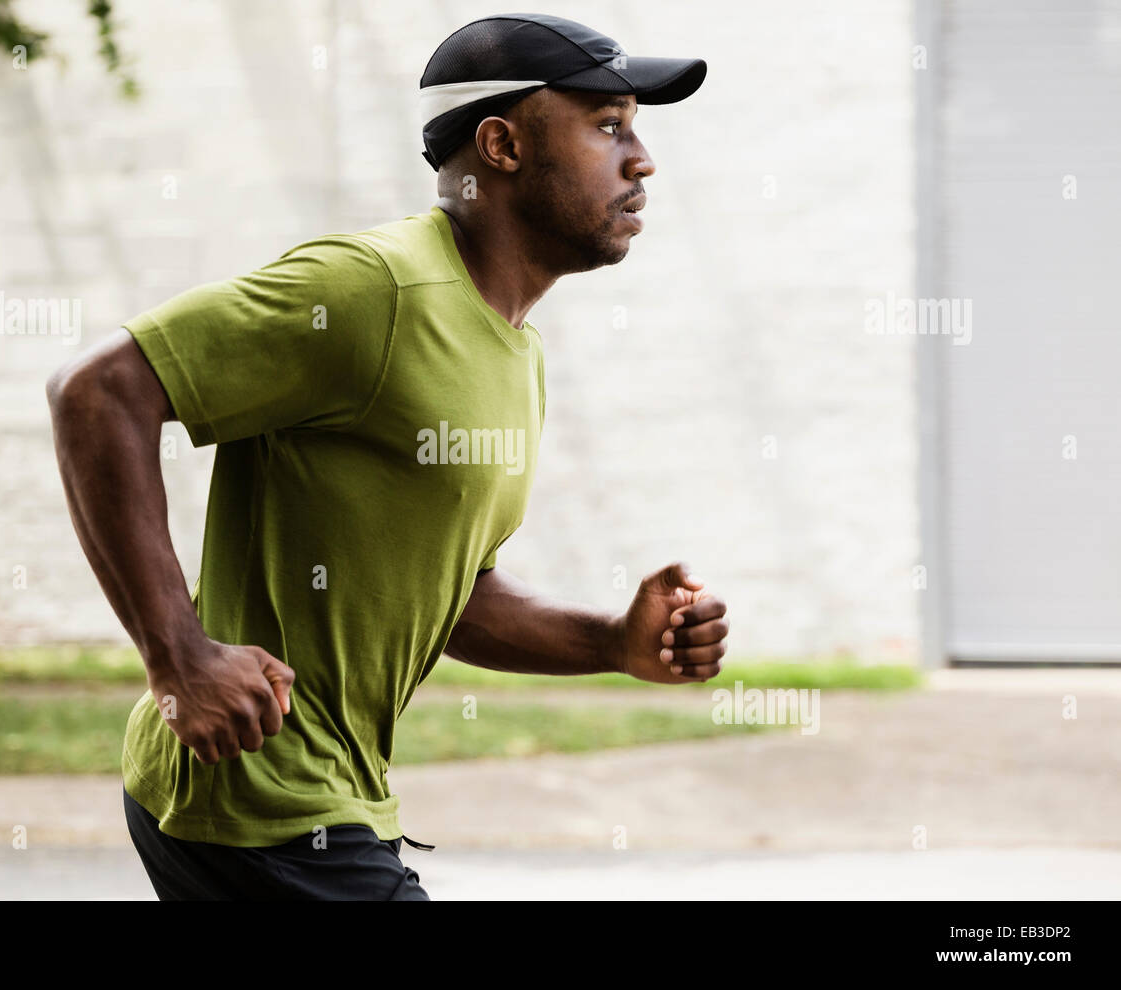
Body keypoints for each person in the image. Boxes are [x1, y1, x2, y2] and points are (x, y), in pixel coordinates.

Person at [46, 12, 726, 901]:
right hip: (264, 800)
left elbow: (452, 592)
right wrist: (178, 657)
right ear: (502, 144)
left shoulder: (513, 350)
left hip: (320, 801)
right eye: (607, 125)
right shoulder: (373, 288)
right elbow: (97, 392)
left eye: (635, 127)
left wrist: (608, 641)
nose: (641, 158)